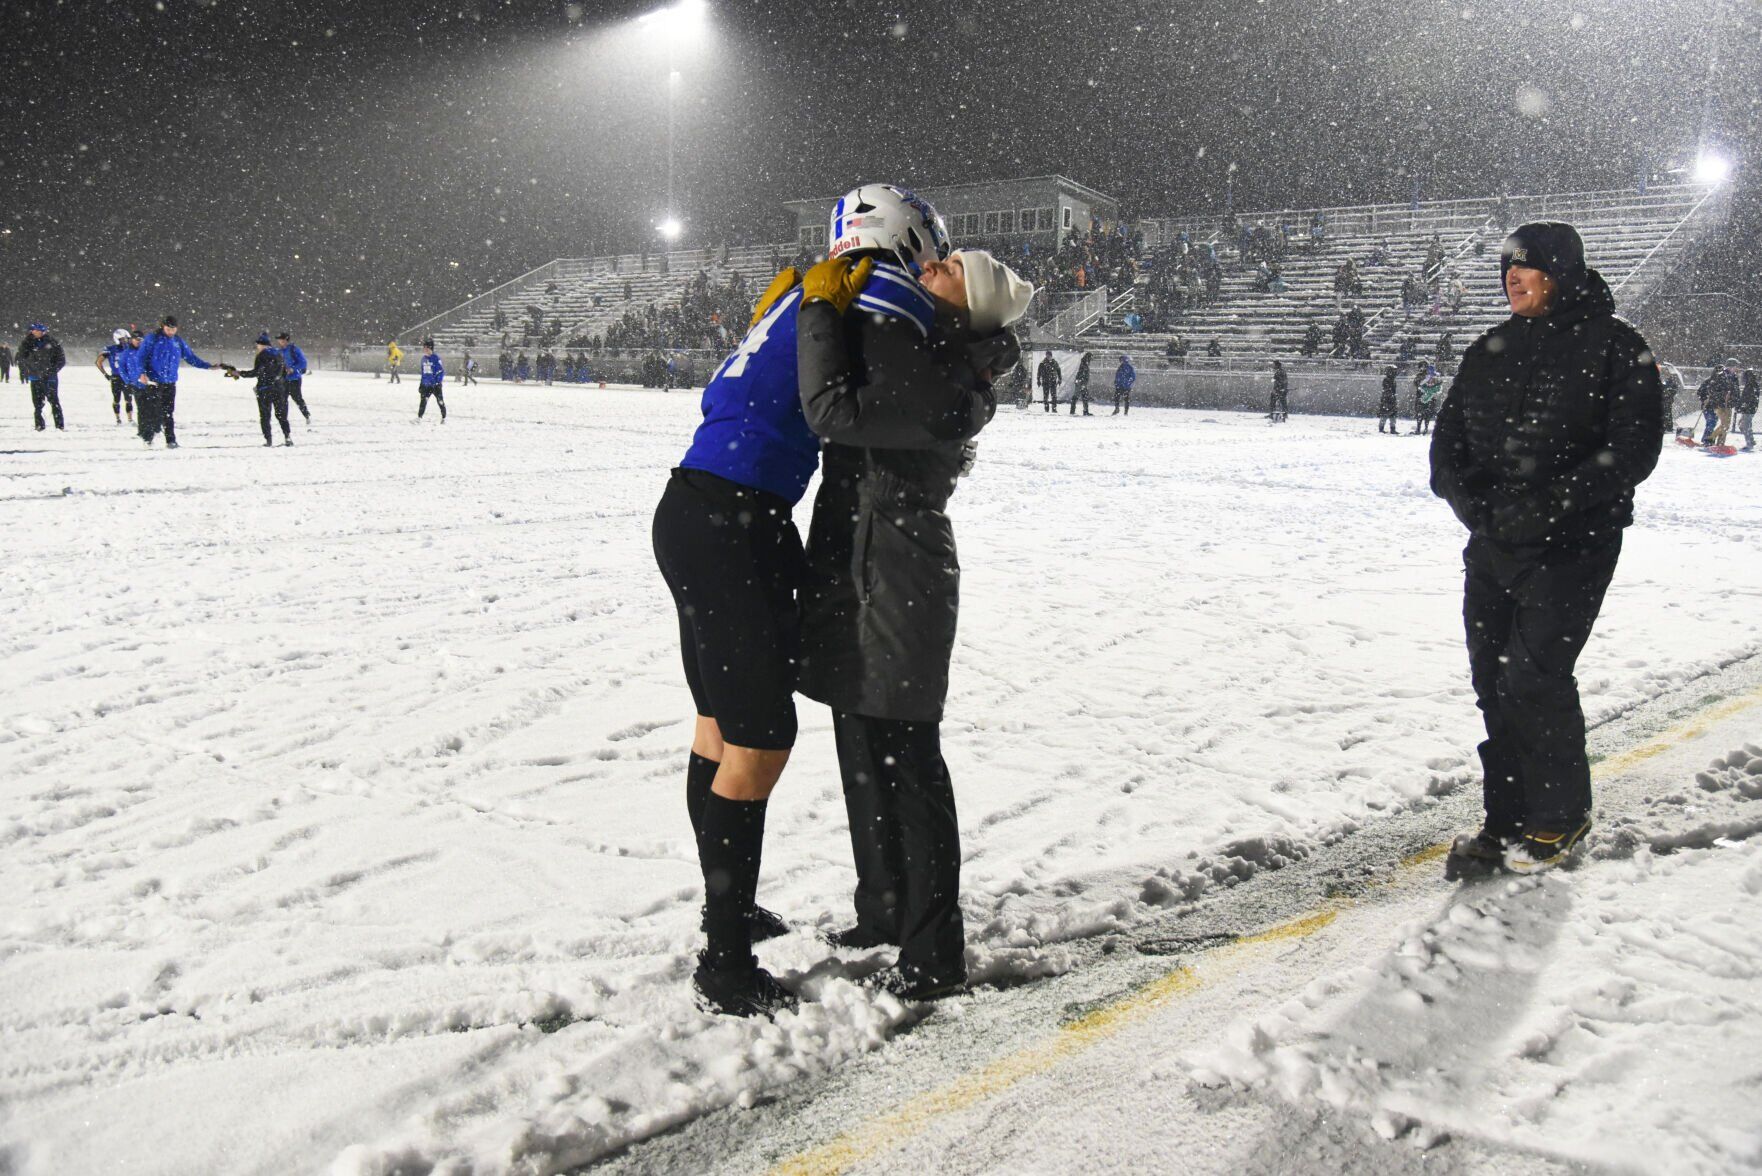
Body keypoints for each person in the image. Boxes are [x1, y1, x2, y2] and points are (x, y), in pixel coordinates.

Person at [795, 213, 1029, 1001]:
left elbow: (834, 410)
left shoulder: (944, 377)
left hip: (902, 572)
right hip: (862, 564)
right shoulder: (928, 348)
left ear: (971, 305)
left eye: (951, 269)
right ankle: (884, 910)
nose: (933, 265)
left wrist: (821, 309)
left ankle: (934, 954)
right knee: (862, 749)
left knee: (908, 758)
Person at [1430, 221, 1663, 877]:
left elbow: (1634, 450)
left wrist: (1549, 504)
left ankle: (1560, 813)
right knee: (1491, 681)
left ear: (1559, 271)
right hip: (1492, 543)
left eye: (1526, 265)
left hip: (1573, 546)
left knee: (1533, 676)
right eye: (1507, 265)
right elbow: (1447, 446)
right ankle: (1505, 818)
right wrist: (1472, 503)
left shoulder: (1617, 347)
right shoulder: (1489, 349)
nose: (1513, 275)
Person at [135, 316, 227, 448]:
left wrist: (208, 366)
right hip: (154, 382)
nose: (170, 332)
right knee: (153, 412)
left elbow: (190, 357)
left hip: (170, 382)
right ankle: (147, 438)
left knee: (168, 412)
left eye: (173, 329)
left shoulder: (177, 341)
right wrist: (141, 373)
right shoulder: (153, 339)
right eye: (168, 329)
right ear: (163, 327)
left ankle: (170, 440)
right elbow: (140, 357)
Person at [230, 333, 293, 447]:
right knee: (281, 414)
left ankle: (268, 440)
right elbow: (284, 372)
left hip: (264, 389)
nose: (257, 348)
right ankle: (287, 436)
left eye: (257, 345)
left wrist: (240, 373)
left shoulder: (262, 355)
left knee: (265, 415)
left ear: (261, 345)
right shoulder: (279, 354)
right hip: (279, 388)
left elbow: (257, 372)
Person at [17, 322, 67, 432]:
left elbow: (61, 359)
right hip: (35, 377)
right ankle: (39, 425)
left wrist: (52, 371)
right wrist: (27, 371)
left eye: (38, 331)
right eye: (34, 330)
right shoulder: (26, 343)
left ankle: (60, 425)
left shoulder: (52, 342)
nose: (36, 332)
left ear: (43, 332)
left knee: (54, 401)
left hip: (50, 378)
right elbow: (21, 359)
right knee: (37, 404)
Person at [96, 328, 136, 424]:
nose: (125, 341)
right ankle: (118, 419)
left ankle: (130, 419)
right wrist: (106, 375)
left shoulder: (130, 349)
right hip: (116, 377)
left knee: (128, 399)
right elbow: (98, 362)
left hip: (127, 378)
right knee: (116, 399)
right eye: (122, 339)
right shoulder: (111, 349)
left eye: (126, 339)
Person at [275, 332, 312, 425]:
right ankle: (283, 419)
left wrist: (293, 369)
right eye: (279, 340)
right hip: (283, 379)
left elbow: (303, 362)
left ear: (286, 340)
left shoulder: (294, 349)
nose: (280, 342)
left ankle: (306, 415)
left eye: (281, 340)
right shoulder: (279, 351)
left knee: (297, 398)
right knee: (283, 399)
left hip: (294, 379)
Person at [417, 339, 447, 422]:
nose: (424, 349)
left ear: (430, 348)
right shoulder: (423, 359)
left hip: (435, 385)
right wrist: (421, 384)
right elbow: (423, 373)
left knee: (440, 401)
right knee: (423, 401)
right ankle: (419, 418)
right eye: (424, 348)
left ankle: (444, 418)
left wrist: (437, 382)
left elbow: (441, 371)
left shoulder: (436, 358)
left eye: (426, 348)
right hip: (426, 385)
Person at [1412, 363, 1442, 434]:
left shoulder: (1435, 376)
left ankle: (1425, 428)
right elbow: (1416, 384)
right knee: (1421, 413)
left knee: (1426, 414)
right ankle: (1419, 429)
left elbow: (1439, 385)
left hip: (1429, 397)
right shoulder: (1420, 375)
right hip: (1422, 396)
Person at [1737, 368, 1759, 451]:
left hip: (1749, 409)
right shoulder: (1751, 384)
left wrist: (1743, 406)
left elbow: (1748, 399)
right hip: (1749, 409)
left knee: (1745, 426)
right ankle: (1751, 441)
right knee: (1744, 425)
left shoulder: (1751, 385)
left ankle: (1749, 444)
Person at [1377, 364, 1400, 434]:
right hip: (1386, 399)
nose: (1395, 373)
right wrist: (1390, 397)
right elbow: (1387, 390)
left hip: (1392, 399)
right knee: (1384, 414)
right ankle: (1381, 429)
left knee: (1393, 415)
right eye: (1393, 371)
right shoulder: (1386, 380)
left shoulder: (1393, 380)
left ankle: (1393, 429)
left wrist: (1393, 398)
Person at [1069, 350, 1092, 415]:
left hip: (1080, 382)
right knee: (1081, 396)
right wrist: (1083, 383)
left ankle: (1074, 411)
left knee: (1080, 396)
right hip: (1081, 382)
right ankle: (1083, 411)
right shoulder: (1084, 364)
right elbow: (1082, 374)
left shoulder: (1084, 363)